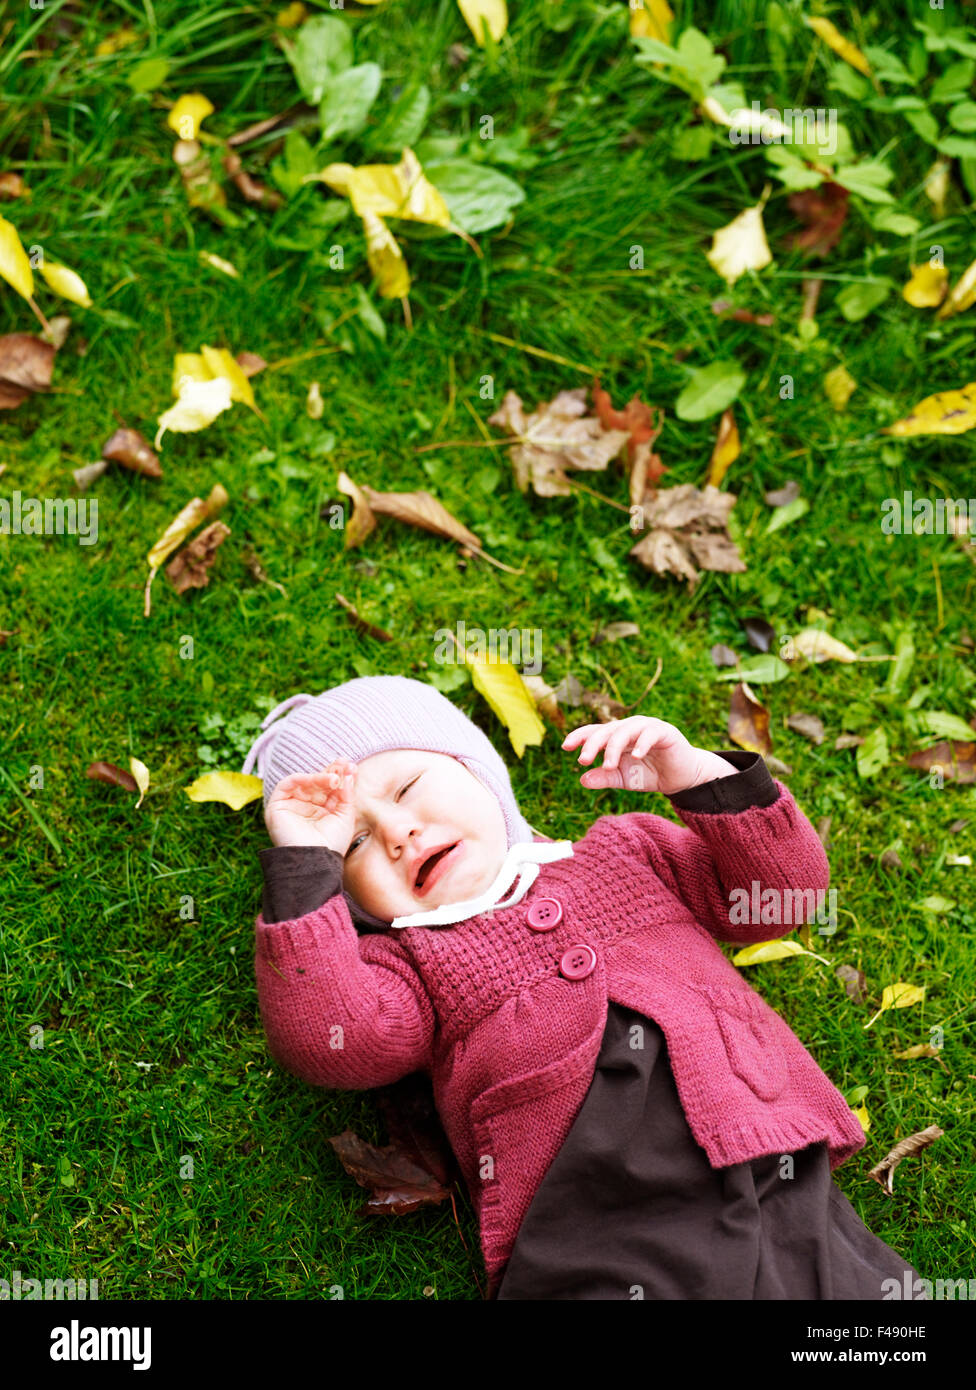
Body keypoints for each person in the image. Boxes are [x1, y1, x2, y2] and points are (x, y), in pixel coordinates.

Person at [245, 674, 927, 1300]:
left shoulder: (628, 850)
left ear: (478, 771)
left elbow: (779, 901)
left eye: (404, 789)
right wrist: (303, 872)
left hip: (769, 1172)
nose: (398, 833)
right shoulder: (413, 965)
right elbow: (331, 1042)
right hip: (591, 1229)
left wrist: (697, 777)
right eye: (353, 844)